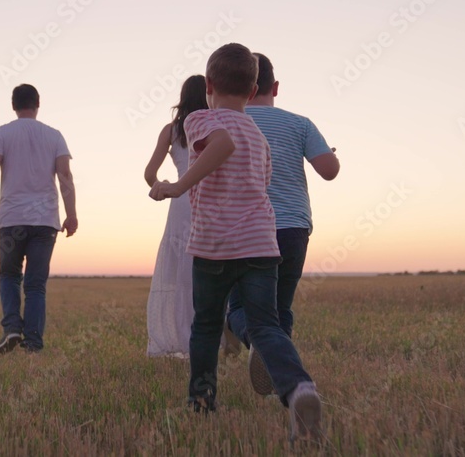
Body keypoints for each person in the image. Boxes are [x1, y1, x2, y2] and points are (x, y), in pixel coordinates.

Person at [149, 43, 321, 442]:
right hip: (261, 245)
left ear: (209, 85)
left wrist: (177, 187)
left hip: (214, 245)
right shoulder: (259, 136)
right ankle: (299, 389)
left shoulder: (199, 121)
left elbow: (221, 145)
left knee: (207, 326)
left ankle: (202, 401)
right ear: (252, 89)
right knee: (266, 326)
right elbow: (260, 184)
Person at [225, 52, 340, 394]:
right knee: (280, 308)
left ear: (243, 89)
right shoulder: (300, 123)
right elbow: (329, 171)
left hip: (243, 229)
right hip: (293, 227)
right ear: (275, 87)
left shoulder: (229, 123)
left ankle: (261, 348)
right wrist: (328, 153)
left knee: (239, 308)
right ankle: (280, 370)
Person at [0, 84, 77, 354]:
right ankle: (32, 343)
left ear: (13, 105)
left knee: (10, 275)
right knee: (35, 284)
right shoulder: (54, 135)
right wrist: (72, 215)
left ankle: (11, 328)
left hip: (12, 219)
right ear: (37, 104)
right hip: (45, 221)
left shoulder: (3, 132)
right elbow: (65, 176)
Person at [143, 75, 208, 357]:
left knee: (180, 276)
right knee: (206, 268)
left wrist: (164, 187)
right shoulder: (215, 125)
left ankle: (182, 340)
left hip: (181, 202)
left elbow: (149, 174)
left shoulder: (172, 130)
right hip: (210, 201)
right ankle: (211, 338)